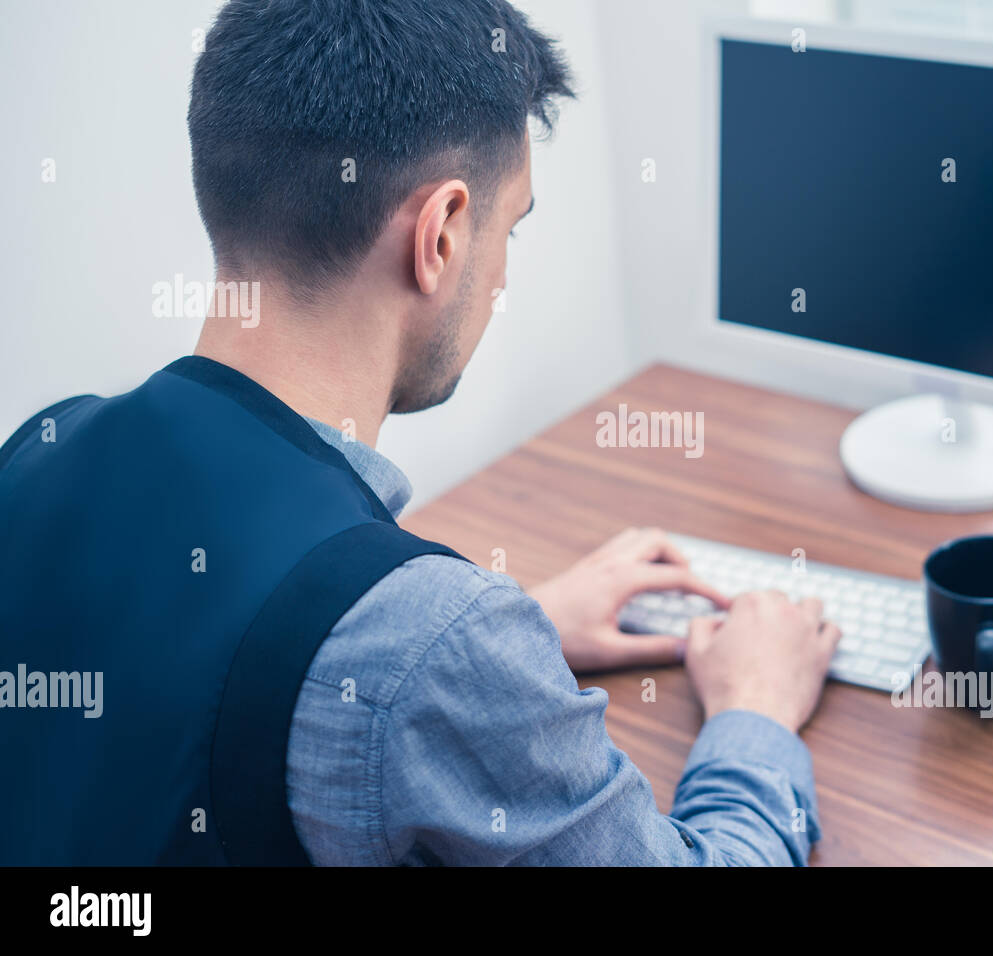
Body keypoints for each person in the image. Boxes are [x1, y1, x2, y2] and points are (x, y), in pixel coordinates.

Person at [0, 0, 840, 866]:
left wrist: (513, 645)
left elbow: (176, 669)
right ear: (439, 233)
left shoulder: (39, 452)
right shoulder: (424, 637)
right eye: (510, 227)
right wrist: (756, 705)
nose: (504, 269)